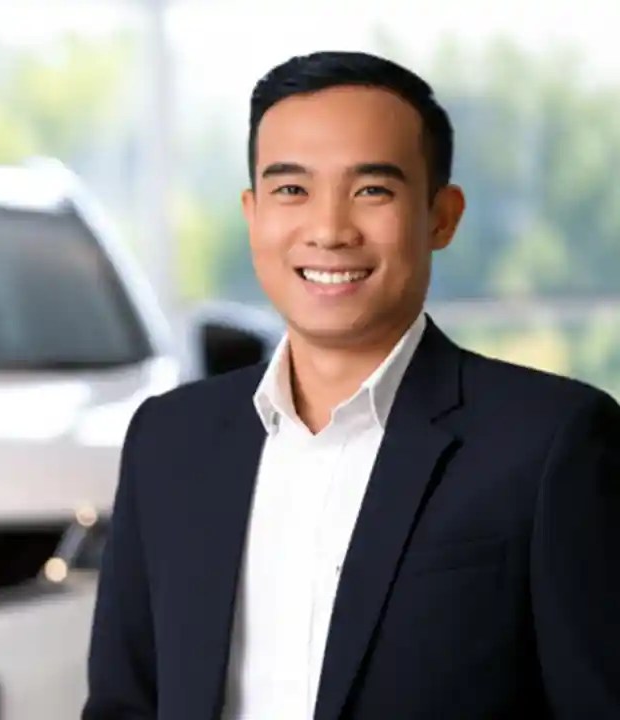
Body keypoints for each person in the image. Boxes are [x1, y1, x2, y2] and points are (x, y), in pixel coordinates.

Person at [82, 50, 620, 720]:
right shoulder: (171, 439)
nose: (330, 230)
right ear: (253, 213)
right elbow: (124, 704)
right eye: (291, 190)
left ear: (441, 215)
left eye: (372, 190)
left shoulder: (549, 443)